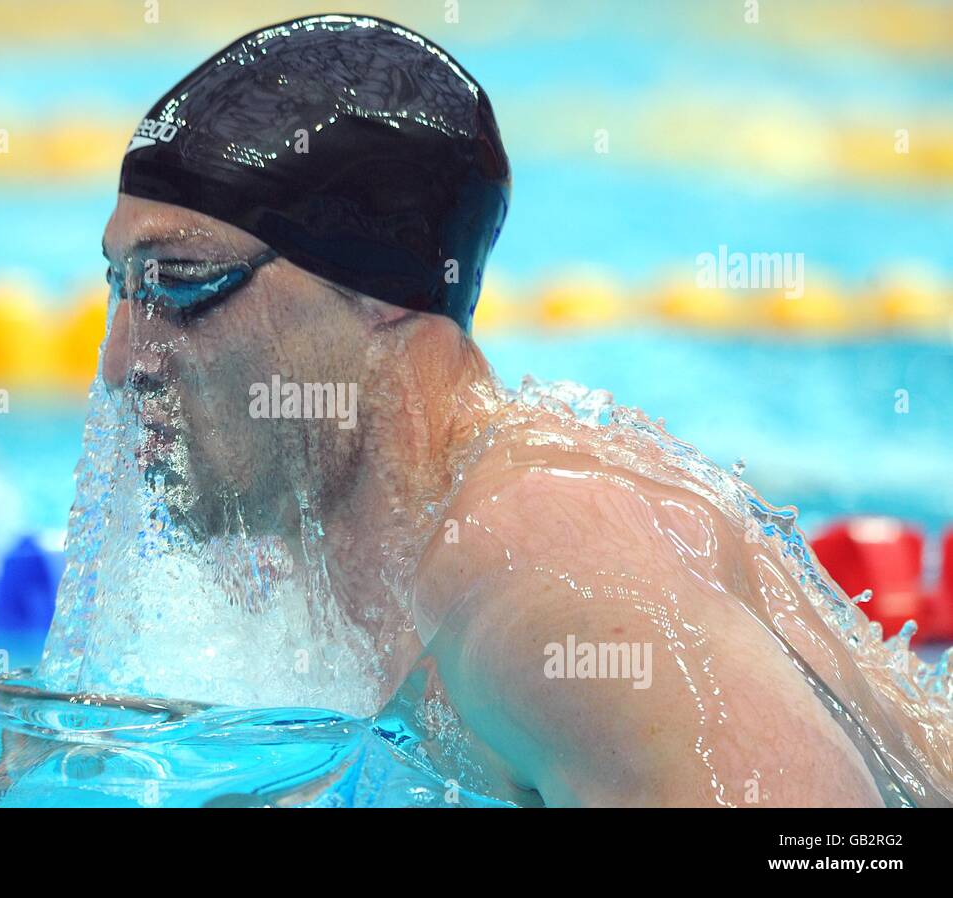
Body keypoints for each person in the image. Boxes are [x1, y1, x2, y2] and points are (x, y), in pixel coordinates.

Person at [86, 14, 951, 808]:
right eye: (120, 287)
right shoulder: (305, 555)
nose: (123, 362)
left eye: (182, 285)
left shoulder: (546, 576)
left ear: (376, 290)